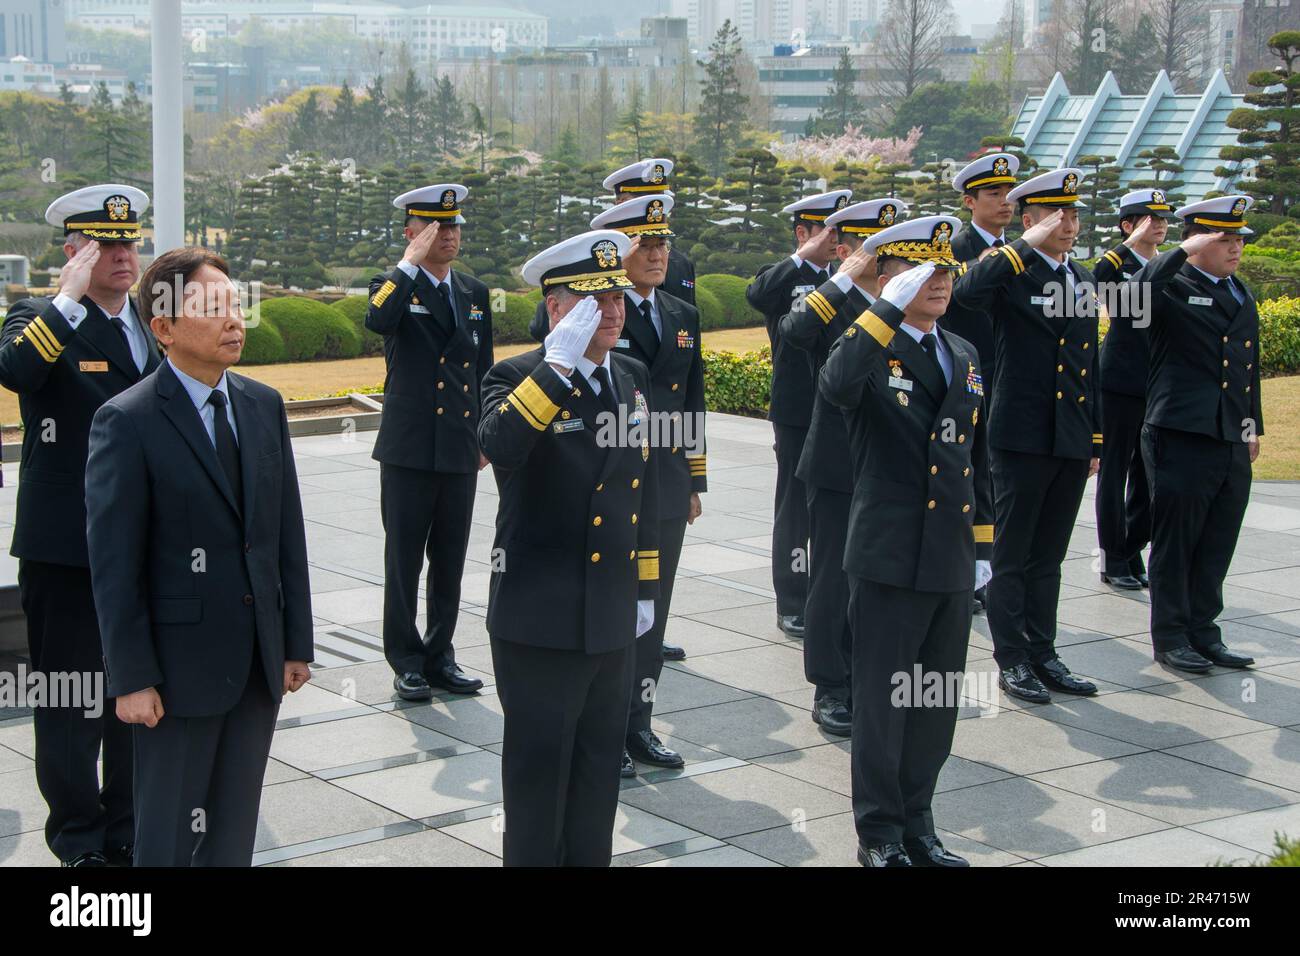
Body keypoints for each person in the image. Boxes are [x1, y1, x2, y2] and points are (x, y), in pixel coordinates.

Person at [85, 247, 313, 866]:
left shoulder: (262, 405)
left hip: (257, 664)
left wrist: (294, 642)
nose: (234, 320)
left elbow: (284, 535)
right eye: (213, 308)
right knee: (165, 838)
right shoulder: (126, 420)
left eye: (236, 305)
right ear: (163, 327)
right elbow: (115, 567)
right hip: (175, 676)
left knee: (232, 832)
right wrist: (131, 678)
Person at [477, 230, 660, 866]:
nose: (611, 311)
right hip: (541, 617)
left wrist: (644, 588)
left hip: (611, 612)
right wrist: (555, 367)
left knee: (598, 773)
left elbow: (644, 494)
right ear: (555, 308)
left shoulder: (632, 376)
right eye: (592, 300)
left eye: (616, 297)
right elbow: (499, 446)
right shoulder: (516, 376)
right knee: (538, 780)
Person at [819, 215, 992, 867]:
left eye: (945, 270)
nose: (939, 281)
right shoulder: (870, 345)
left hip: (950, 553)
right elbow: (836, 386)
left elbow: (977, 457)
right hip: (889, 555)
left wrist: (984, 548)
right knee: (884, 703)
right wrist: (881, 311)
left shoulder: (964, 353)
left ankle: (920, 823)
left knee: (935, 701)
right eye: (921, 271)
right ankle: (880, 834)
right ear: (889, 278)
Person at [0, 184, 159, 867]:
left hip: (143, 542)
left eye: (129, 243)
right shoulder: (37, 317)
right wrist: (66, 299)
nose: (123, 256)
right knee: (71, 697)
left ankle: (126, 825)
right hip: (67, 543)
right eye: (104, 245)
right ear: (73, 252)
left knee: (136, 685)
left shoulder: (151, 322)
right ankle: (77, 836)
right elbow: (16, 371)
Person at [950, 168, 1103, 705]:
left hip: (1070, 436)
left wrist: (1096, 438)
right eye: (1056, 216)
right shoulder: (1012, 272)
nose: (1069, 224)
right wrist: (1022, 247)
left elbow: (1089, 362)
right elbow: (966, 292)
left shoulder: (1082, 278)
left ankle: (1044, 651)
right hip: (1020, 434)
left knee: (1049, 554)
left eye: (1074, 214)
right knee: (1012, 554)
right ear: (1032, 220)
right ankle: (1012, 658)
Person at [589, 195, 705, 776]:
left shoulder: (682, 314)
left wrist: (694, 478)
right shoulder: (594, 308)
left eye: (663, 244)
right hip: (611, 479)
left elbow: (692, 400)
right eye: (646, 244)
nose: (658, 255)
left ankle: (640, 724)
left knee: (652, 611)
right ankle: (603, 728)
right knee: (611, 605)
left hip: (666, 480)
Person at [781, 198, 905, 737]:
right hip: (838, 463)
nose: (885, 263)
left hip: (891, 464)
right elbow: (795, 330)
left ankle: (868, 675)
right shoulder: (833, 300)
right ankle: (830, 684)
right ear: (846, 251)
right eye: (871, 251)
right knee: (833, 578)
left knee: (876, 579)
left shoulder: (904, 303)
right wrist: (841, 280)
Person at [366, 184, 494, 701]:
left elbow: (484, 370)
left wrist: (485, 433)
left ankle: (441, 655)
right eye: (436, 227)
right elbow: (377, 319)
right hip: (410, 446)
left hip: (459, 445)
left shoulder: (473, 292)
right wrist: (408, 265)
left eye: (454, 225)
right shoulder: (392, 284)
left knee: (450, 558)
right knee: (404, 560)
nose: (449, 235)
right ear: (411, 233)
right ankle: (406, 661)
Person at [1126, 196, 1261, 673]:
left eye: (1239, 239)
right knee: (1177, 540)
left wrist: (1251, 427)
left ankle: (1204, 632)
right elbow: (1127, 300)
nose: (1235, 247)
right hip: (1180, 433)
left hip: (1229, 434)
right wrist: (1179, 252)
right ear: (1197, 241)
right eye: (1224, 239)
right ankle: (1170, 636)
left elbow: (1247, 368)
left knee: (1217, 539)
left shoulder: (1240, 291)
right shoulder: (1170, 286)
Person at [746, 189, 852, 638]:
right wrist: (803, 257)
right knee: (795, 509)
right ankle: (792, 599)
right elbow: (757, 295)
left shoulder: (848, 276)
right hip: (797, 409)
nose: (835, 240)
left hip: (841, 410)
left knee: (837, 507)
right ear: (803, 233)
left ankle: (835, 594)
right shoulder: (783, 276)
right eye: (826, 232)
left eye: (840, 232)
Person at [945, 152, 1020, 612]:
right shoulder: (953, 250)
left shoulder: (1024, 251)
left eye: (1009, 193)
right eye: (994, 193)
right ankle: (967, 571)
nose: (1005, 201)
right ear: (970, 202)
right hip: (969, 380)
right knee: (968, 476)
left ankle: (994, 571)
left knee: (1001, 482)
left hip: (1012, 382)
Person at [1093, 189, 1174, 590]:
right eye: (1149, 218)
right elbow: (1098, 282)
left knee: (1146, 473)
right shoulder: (1119, 264)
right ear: (1127, 225)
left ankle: (1132, 547)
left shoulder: (1169, 265)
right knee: (1114, 471)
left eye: (1163, 218)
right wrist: (1127, 245)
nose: (1160, 225)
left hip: (1156, 383)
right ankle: (1112, 556)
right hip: (1120, 381)